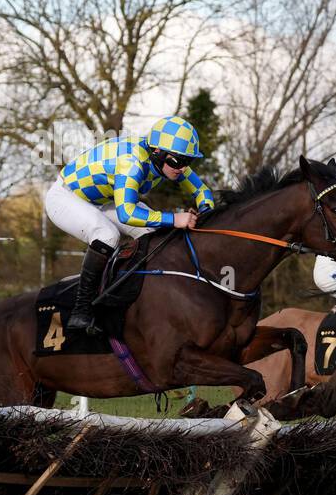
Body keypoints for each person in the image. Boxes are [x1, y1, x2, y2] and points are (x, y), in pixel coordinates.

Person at [44, 116, 216, 334]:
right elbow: (126, 213)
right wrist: (175, 218)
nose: (181, 168)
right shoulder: (132, 163)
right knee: (107, 235)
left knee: (153, 231)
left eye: (187, 161)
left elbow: (202, 191)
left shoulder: (170, 158)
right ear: (157, 153)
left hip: (102, 200)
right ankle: (82, 311)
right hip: (65, 197)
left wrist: (207, 214)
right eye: (177, 162)